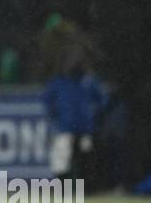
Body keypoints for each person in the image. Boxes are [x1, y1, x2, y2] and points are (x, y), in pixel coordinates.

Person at [43, 50, 109, 181]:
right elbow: (47, 101)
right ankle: (62, 190)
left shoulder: (89, 81)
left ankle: (86, 190)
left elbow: (103, 100)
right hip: (65, 128)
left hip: (85, 129)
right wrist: (56, 116)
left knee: (85, 160)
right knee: (62, 162)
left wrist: (94, 114)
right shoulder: (59, 82)